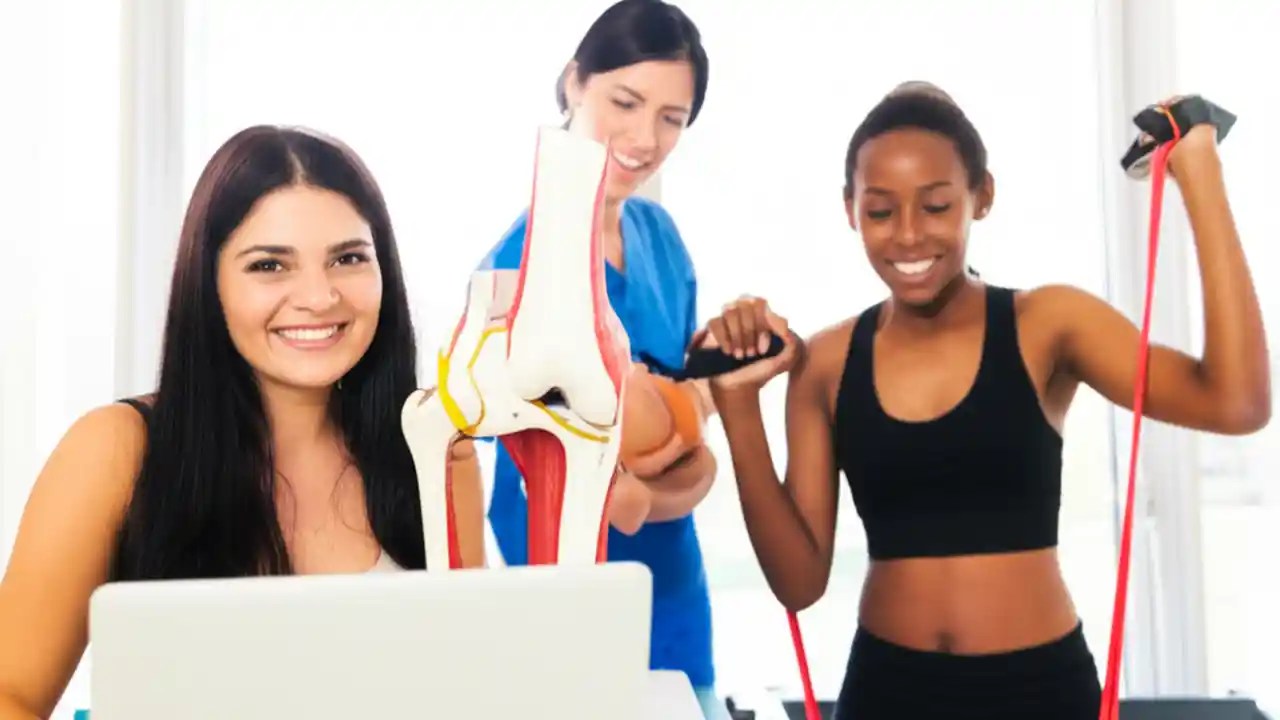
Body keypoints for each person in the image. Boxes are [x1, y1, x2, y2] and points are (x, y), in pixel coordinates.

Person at [698, 84, 1270, 719]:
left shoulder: (1048, 323)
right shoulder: (825, 363)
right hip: (887, 692)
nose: (910, 236)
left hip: (1040, 692)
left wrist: (1198, 171)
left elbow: (1236, 401)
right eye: (881, 212)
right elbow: (798, 585)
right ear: (850, 211)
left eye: (937, 205)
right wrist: (737, 406)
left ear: (982, 196)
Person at [0, 126, 487, 719]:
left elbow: (464, 685)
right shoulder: (116, 449)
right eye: (269, 266)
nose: (319, 296)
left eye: (349, 258)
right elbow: (12, 695)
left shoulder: (432, 454)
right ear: (211, 284)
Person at [476, 1, 728, 717]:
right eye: (626, 101)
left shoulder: (661, 238)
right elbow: (605, 481)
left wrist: (658, 480)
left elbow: (684, 458)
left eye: (672, 117)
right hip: (564, 625)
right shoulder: (514, 272)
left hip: (674, 606)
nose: (646, 137)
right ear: (572, 83)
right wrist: (669, 453)